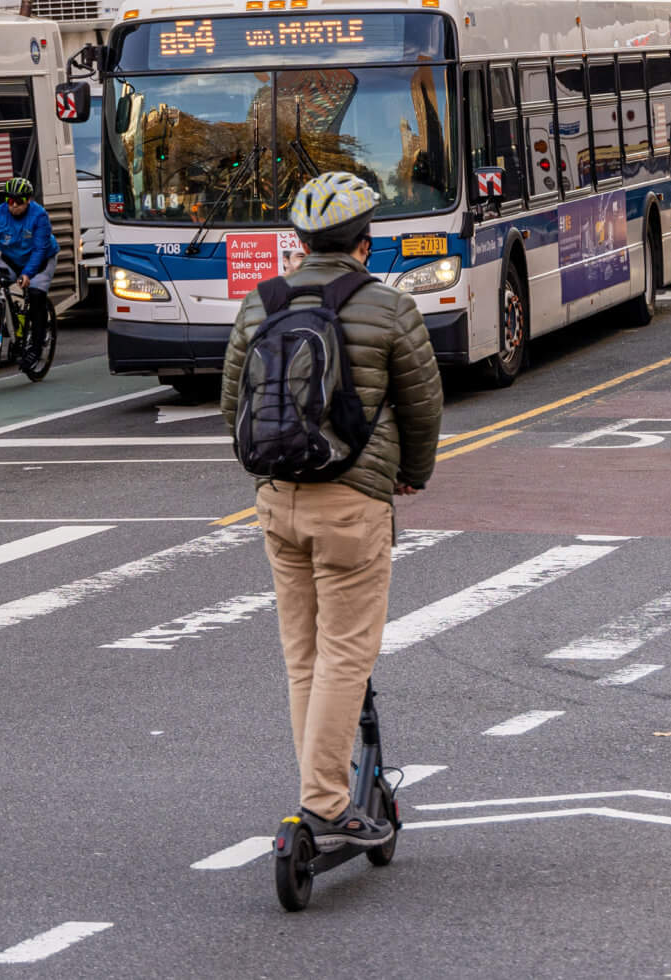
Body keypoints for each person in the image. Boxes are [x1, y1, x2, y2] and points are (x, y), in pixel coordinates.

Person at [219, 172, 443, 852]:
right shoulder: (388, 307)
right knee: (347, 655)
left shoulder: (261, 303)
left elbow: (234, 406)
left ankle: (322, 789)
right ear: (364, 244)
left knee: (304, 659)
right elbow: (423, 405)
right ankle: (324, 803)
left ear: (300, 241)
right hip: (353, 501)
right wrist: (410, 475)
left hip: (277, 500)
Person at [0, 176, 57, 363]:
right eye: (10, 201)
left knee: (35, 295)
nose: (14, 206)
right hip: (11, 258)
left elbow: (40, 249)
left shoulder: (39, 216)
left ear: (29, 200)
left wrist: (27, 274)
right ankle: (15, 324)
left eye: (20, 201)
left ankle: (36, 345)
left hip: (40, 260)